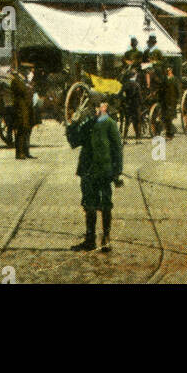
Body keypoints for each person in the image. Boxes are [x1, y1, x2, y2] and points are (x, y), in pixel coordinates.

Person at [67, 90, 123, 252]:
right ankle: (90, 239)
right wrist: (73, 125)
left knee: (106, 204)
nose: (97, 109)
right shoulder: (88, 123)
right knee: (89, 205)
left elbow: (117, 149)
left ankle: (106, 238)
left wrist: (117, 172)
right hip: (88, 169)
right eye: (94, 107)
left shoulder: (110, 124)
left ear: (105, 107)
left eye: (100, 106)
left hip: (105, 171)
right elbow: (74, 142)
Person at [11, 64, 35, 159]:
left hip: (27, 109)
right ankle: (20, 152)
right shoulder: (16, 81)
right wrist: (29, 86)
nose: (28, 72)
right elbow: (24, 91)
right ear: (22, 70)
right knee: (21, 131)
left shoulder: (25, 81)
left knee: (27, 130)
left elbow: (31, 91)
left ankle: (26, 151)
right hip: (20, 110)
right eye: (27, 70)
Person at [160, 64, 180, 139]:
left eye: (169, 70)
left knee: (169, 117)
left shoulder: (175, 79)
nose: (168, 72)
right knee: (166, 117)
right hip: (165, 100)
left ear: (171, 70)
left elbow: (177, 90)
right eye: (167, 70)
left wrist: (178, 99)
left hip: (172, 100)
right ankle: (170, 132)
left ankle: (170, 133)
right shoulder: (165, 79)